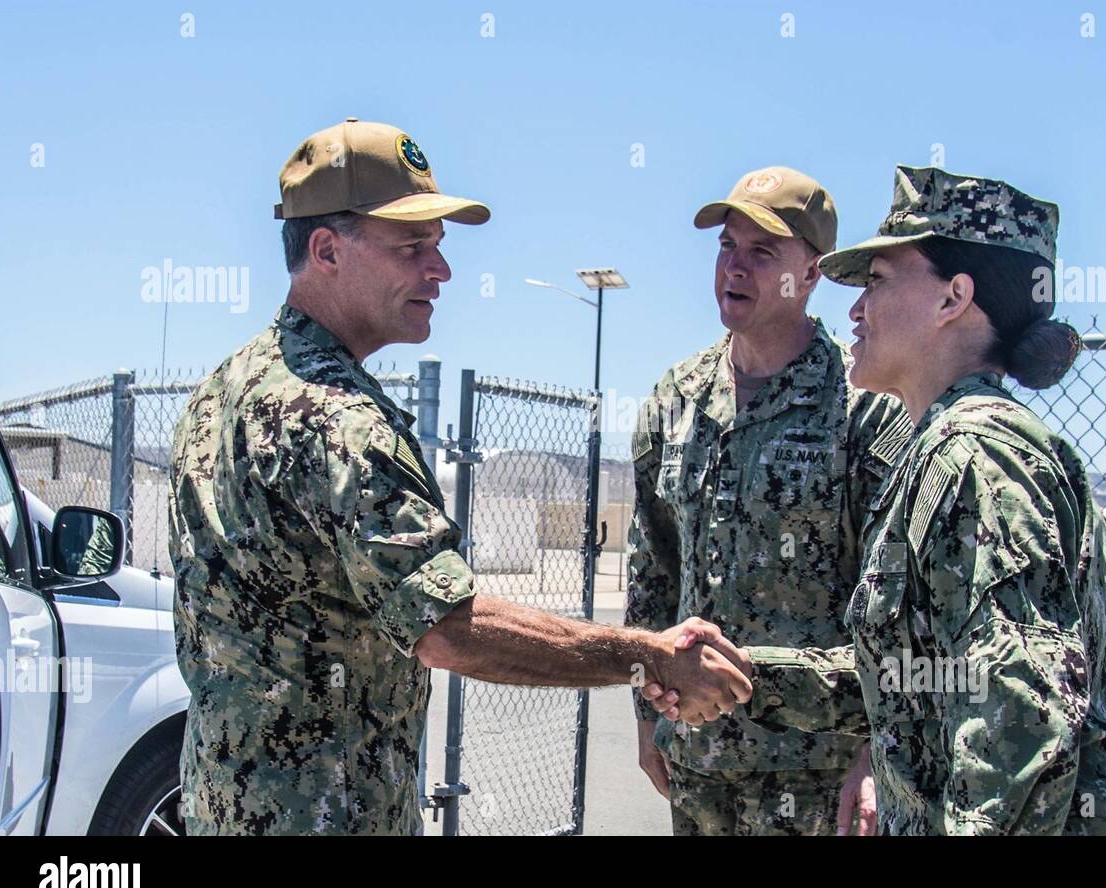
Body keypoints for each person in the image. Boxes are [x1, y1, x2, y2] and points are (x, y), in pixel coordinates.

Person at [168, 118, 751, 836]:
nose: (439, 271)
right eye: (412, 248)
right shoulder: (338, 422)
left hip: (220, 809)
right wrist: (647, 656)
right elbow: (449, 630)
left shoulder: (220, 393)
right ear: (326, 250)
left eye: (438, 248)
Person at [647, 166, 1106, 835]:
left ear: (952, 299)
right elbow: (920, 676)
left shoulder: (978, 459)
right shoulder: (948, 447)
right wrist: (738, 675)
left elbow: (1020, 730)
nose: (854, 309)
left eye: (876, 281)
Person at [626, 167, 908, 835]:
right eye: (728, 247)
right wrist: (644, 716)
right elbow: (652, 570)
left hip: (818, 769)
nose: (736, 268)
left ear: (811, 274)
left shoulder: (861, 404)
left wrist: (875, 752)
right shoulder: (677, 396)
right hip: (697, 756)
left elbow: (896, 600)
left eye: (762, 253)